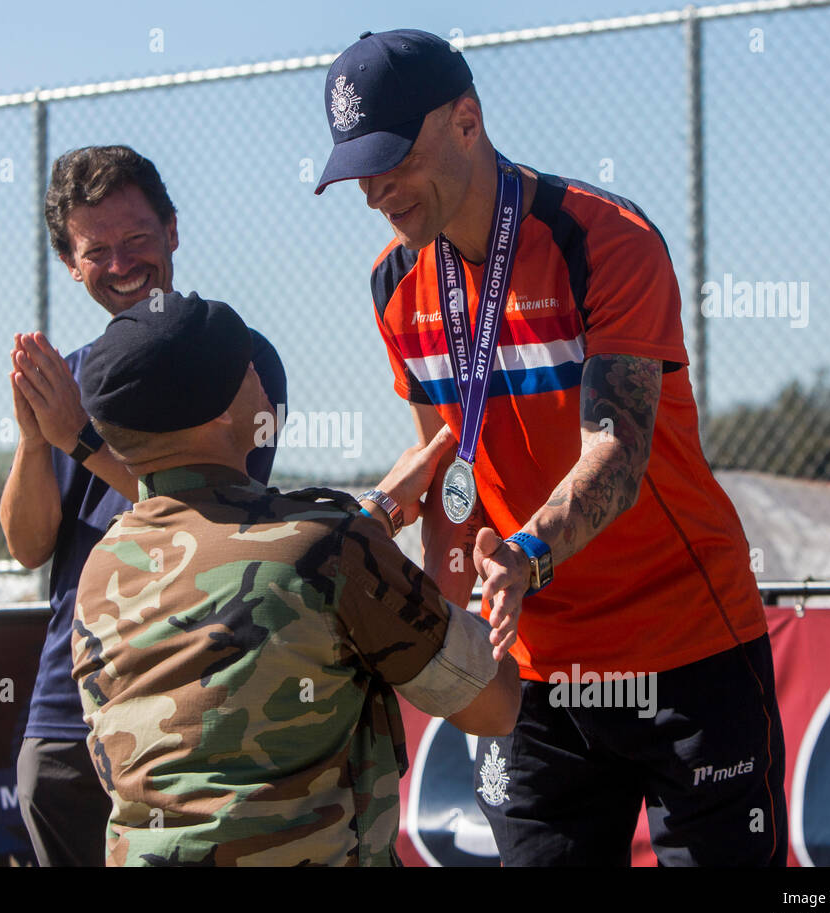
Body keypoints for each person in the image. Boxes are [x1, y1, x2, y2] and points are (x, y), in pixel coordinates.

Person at [314, 29, 787, 866]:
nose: (374, 192)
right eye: (357, 167)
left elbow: (620, 452)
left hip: (689, 648)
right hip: (530, 673)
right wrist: (448, 631)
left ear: (468, 120)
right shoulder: (393, 283)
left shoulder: (604, 239)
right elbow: (447, 479)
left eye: (392, 158)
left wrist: (528, 555)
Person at [70, 290, 519, 866]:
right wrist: (458, 566)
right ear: (222, 411)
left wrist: (375, 515)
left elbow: (245, 567)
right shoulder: (330, 549)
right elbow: (491, 706)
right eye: (247, 367)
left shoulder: (104, 566)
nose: (263, 377)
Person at [0, 146, 287, 866]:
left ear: (174, 232)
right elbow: (28, 546)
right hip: (71, 711)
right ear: (70, 262)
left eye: (138, 240)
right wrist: (37, 442)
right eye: (97, 250)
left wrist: (79, 437)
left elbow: (230, 507)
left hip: (195, 702)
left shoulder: (239, 357)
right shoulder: (65, 376)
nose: (122, 264)